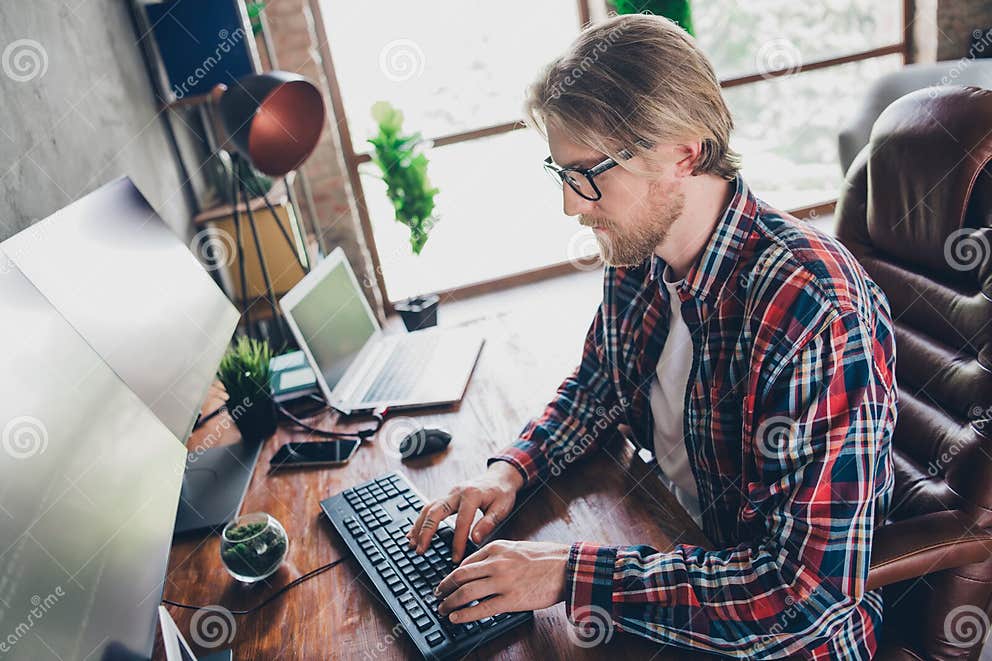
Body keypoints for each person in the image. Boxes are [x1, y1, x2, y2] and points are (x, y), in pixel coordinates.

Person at [406, 13, 897, 659]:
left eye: (587, 173)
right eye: (560, 173)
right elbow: (601, 383)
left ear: (683, 153)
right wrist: (511, 468)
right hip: (669, 549)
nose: (570, 205)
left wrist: (566, 572)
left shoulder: (813, 308)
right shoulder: (639, 254)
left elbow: (802, 595)